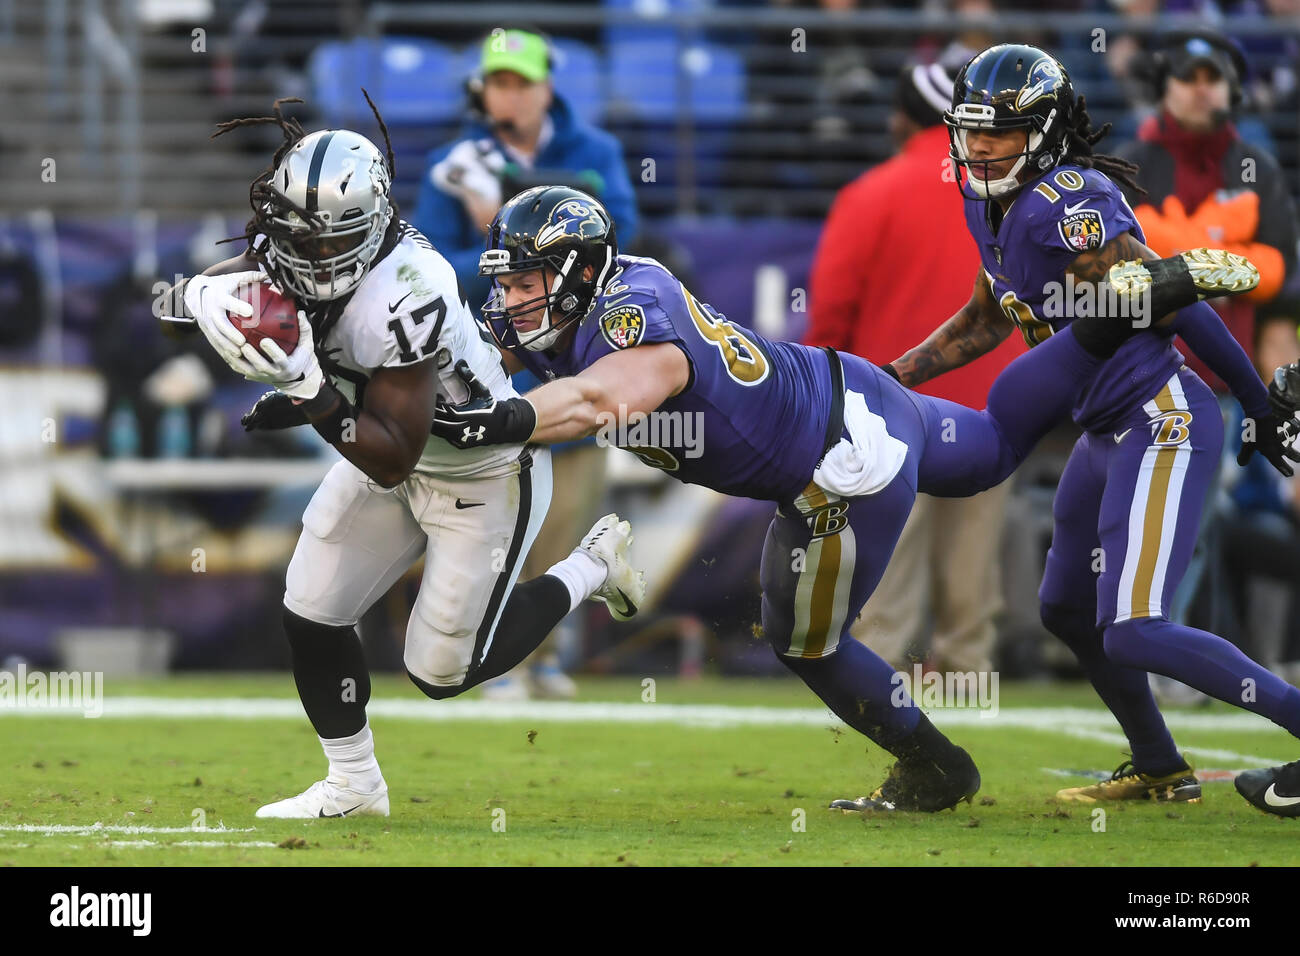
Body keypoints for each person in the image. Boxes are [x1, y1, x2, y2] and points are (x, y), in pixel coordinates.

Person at [428, 183, 1265, 812]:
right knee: (992, 450)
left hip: (839, 466)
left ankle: (937, 768)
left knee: (806, 640)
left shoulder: (630, 319)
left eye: (526, 281)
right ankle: (1116, 313)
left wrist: (482, 424)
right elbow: (527, 395)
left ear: (576, 276)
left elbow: (596, 399)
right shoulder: (586, 310)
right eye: (507, 284)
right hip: (856, 393)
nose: (509, 300)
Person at [167, 100, 646, 819]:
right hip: (386, 444)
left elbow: (393, 454)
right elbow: (204, 294)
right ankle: (355, 785)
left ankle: (592, 566)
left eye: (334, 241)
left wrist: (305, 389)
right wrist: (203, 294)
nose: (313, 255)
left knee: (440, 671)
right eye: (302, 237)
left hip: (478, 470)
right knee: (311, 608)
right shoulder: (287, 243)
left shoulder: (409, 288)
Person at [884, 43, 1300, 815]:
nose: (978, 146)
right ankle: (1158, 763)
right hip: (1103, 430)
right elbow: (988, 315)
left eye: (1000, 131)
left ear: (1041, 132)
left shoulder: (1066, 201)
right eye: (971, 128)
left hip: (1160, 415)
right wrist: (894, 375)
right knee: (1068, 610)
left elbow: (1174, 300)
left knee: (1134, 629)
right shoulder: (991, 202)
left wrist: (1257, 398)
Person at [806, 58, 1024, 676]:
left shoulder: (869, 194)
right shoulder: (1010, 193)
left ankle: (878, 690)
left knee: (886, 576)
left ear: (901, 118)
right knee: (971, 573)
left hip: (890, 412)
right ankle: (971, 685)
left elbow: (831, 316)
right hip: (994, 405)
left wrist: (823, 401)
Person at [413, 26, 639, 319]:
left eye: (523, 84)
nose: (512, 96)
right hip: (488, 330)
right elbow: (434, 274)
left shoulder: (599, 150)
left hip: (582, 320)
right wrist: (492, 240)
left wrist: (507, 237)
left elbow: (622, 234)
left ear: (547, 88)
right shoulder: (449, 165)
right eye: (500, 84)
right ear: (483, 91)